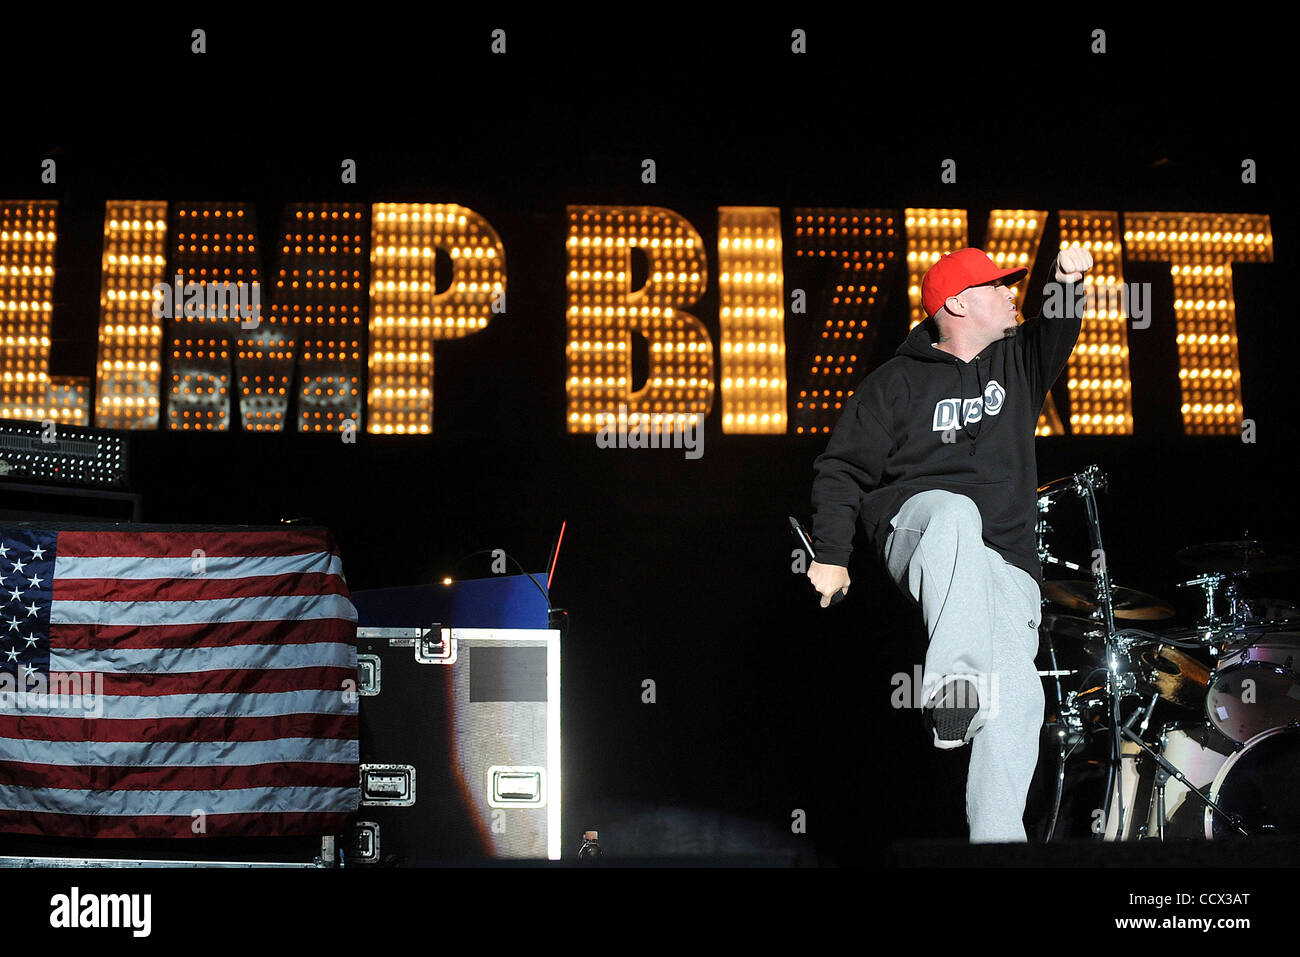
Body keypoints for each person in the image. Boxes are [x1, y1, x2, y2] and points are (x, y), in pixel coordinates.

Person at [806, 245, 1093, 841]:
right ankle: (952, 685)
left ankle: (998, 847)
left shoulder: (1018, 360)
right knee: (955, 513)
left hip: (1006, 561)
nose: (1012, 294)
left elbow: (1059, 325)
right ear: (960, 302)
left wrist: (1066, 280)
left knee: (1019, 697)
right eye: (998, 287)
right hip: (919, 529)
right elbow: (841, 469)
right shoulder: (895, 382)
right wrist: (832, 553)